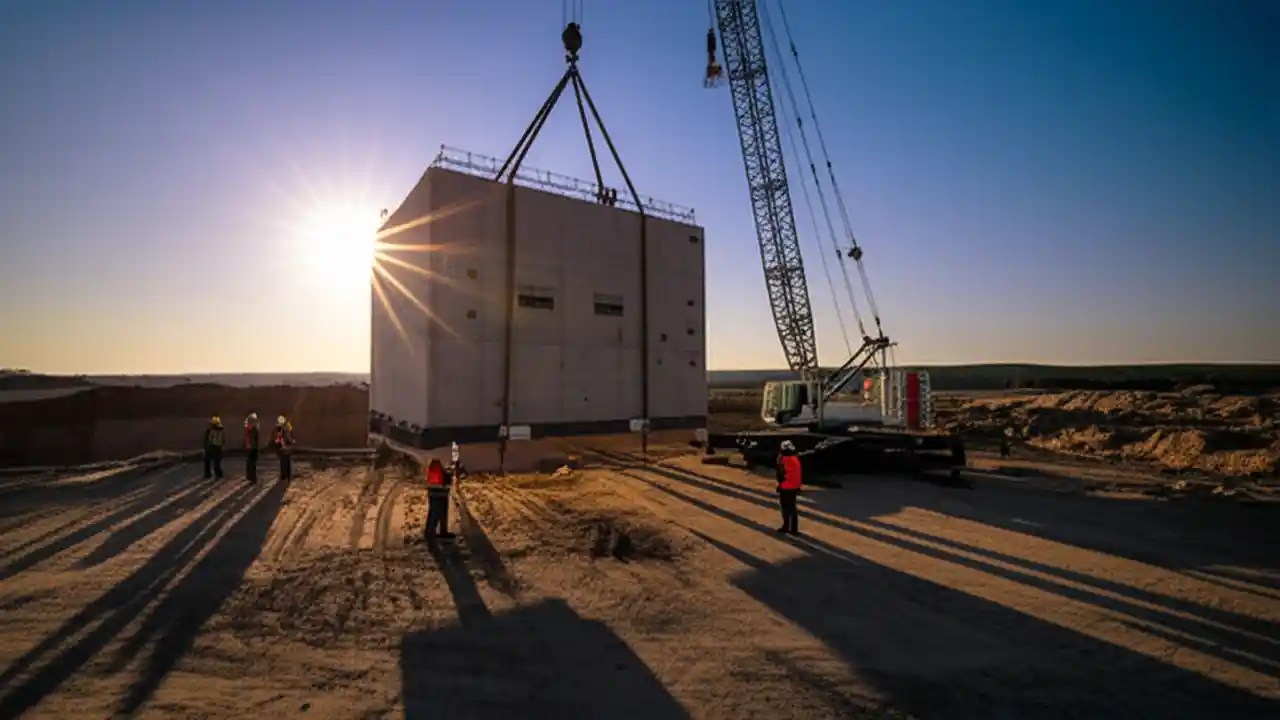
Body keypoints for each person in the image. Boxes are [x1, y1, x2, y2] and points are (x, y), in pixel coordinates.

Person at [775, 439, 803, 535]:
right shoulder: (795, 459)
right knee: (792, 507)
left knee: (785, 507)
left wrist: (779, 485)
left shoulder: (782, 459)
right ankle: (794, 529)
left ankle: (786, 526)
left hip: (786, 487)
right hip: (795, 486)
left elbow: (780, 475)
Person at [424, 457, 455, 541]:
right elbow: (444, 477)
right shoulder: (437, 463)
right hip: (438, 492)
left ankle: (437, 532)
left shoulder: (433, 463)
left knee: (439, 513)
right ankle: (431, 533)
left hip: (439, 492)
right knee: (436, 513)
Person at [271, 415, 295, 480]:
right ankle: (287, 475)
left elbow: (277, 439)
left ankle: (284, 475)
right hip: (285, 447)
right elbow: (287, 437)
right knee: (286, 461)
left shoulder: (280, 429)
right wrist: (292, 442)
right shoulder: (285, 428)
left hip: (283, 448)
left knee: (284, 462)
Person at [203, 416, 225, 480]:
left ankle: (208, 474)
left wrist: (206, 447)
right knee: (217, 461)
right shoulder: (221, 430)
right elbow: (223, 439)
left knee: (208, 461)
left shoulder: (211, 430)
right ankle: (218, 474)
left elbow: (209, 439)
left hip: (212, 446)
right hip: (219, 447)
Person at [244, 412, 260, 483]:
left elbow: (255, 440)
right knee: (250, 463)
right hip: (250, 448)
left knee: (251, 463)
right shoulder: (250, 430)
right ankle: (250, 477)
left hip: (252, 449)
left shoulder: (253, 430)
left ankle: (252, 477)